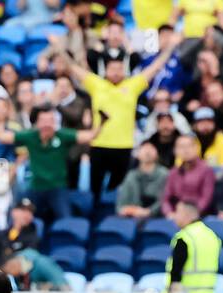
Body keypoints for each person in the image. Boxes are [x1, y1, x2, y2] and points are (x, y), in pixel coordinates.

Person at [72, 34, 177, 200]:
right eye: (112, 68)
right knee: (95, 189)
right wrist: (58, 49)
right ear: (105, 70)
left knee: (118, 189)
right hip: (99, 144)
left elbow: (156, 66)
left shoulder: (132, 85)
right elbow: (74, 68)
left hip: (124, 146)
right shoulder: (97, 84)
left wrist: (170, 47)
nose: (116, 72)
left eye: (119, 68)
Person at [0, 105, 99, 225]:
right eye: (43, 121)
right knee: (18, 218)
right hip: (36, 187)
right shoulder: (31, 136)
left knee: (66, 220)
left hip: (58, 187)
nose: (47, 124)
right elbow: (3, 137)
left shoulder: (62, 136)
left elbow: (90, 136)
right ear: (37, 123)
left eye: (50, 120)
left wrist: (101, 122)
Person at [166, 200, 223, 293]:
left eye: (177, 212)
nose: (174, 216)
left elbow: (176, 273)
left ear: (187, 215)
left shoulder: (185, 237)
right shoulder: (212, 236)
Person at [160, 134, 217, 216]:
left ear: (197, 148)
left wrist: (191, 215)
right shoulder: (173, 172)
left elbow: (206, 198)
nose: (185, 150)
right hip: (177, 217)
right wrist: (169, 213)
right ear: (175, 151)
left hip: (200, 217)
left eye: (189, 146)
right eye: (181, 147)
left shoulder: (206, 170)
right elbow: (165, 199)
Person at [117, 140, 170, 219]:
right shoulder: (131, 175)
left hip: (158, 217)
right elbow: (121, 206)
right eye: (144, 148)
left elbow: (165, 199)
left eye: (151, 148)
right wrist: (134, 211)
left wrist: (149, 211)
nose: (147, 151)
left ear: (157, 154)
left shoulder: (165, 174)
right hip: (132, 218)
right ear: (137, 154)